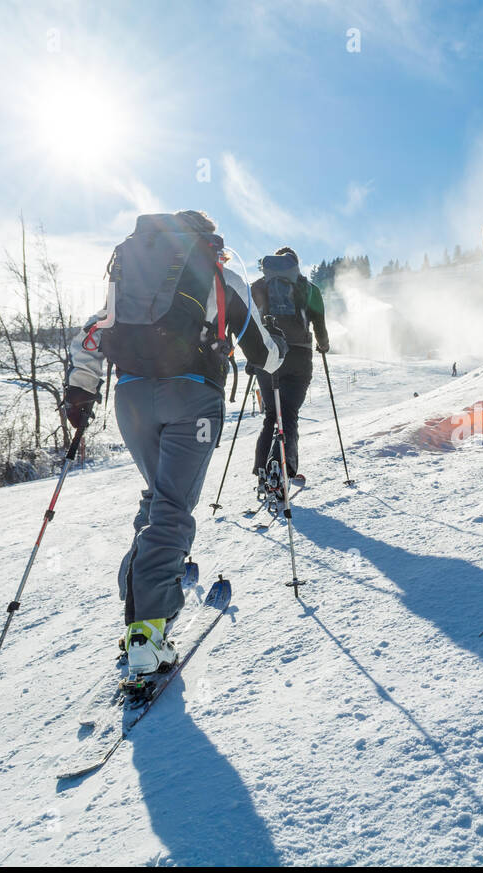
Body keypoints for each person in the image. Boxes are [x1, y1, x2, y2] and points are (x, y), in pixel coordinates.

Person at [60, 210, 285, 676]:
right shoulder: (217, 272)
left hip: (133, 400)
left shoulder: (130, 269)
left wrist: (82, 386)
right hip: (193, 399)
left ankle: (140, 598)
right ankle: (148, 628)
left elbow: (94, 330)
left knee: (160, 496)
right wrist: (276, 351)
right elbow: (263, 351)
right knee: (174, 509)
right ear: (207, 238)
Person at [248, 246, 328, 493]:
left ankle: (263, 472)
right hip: (299, 358)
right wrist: (323, 345)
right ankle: (282, 470)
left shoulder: (258, 287)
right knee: (289, 414)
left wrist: (254, 355)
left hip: (268, 356)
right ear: (295, 266)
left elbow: (248, 320)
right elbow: (319, 323)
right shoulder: (309, 288)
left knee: (271, 415)